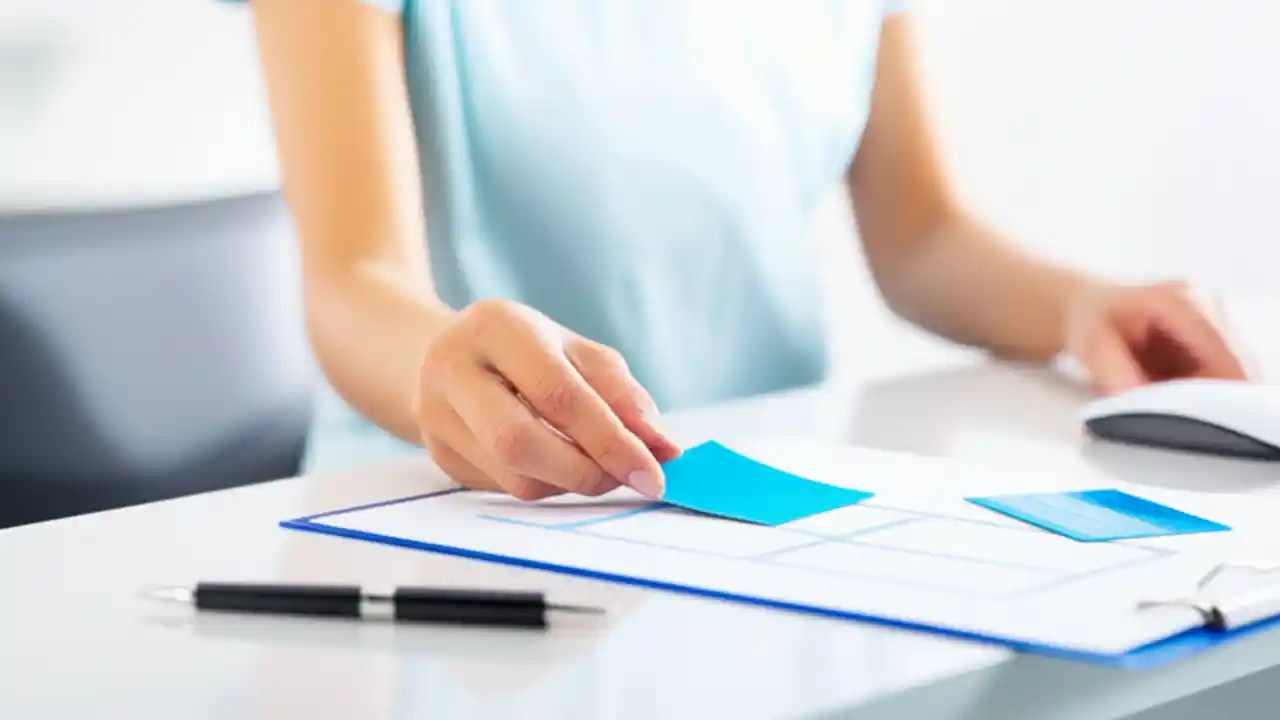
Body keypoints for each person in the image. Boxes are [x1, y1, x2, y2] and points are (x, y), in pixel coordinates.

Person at [247, 0, 1246, 500]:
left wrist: (1078, 308)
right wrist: (441, 360)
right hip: (456, 513)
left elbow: (919, 235)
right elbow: (353, 283)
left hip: (753, 506)